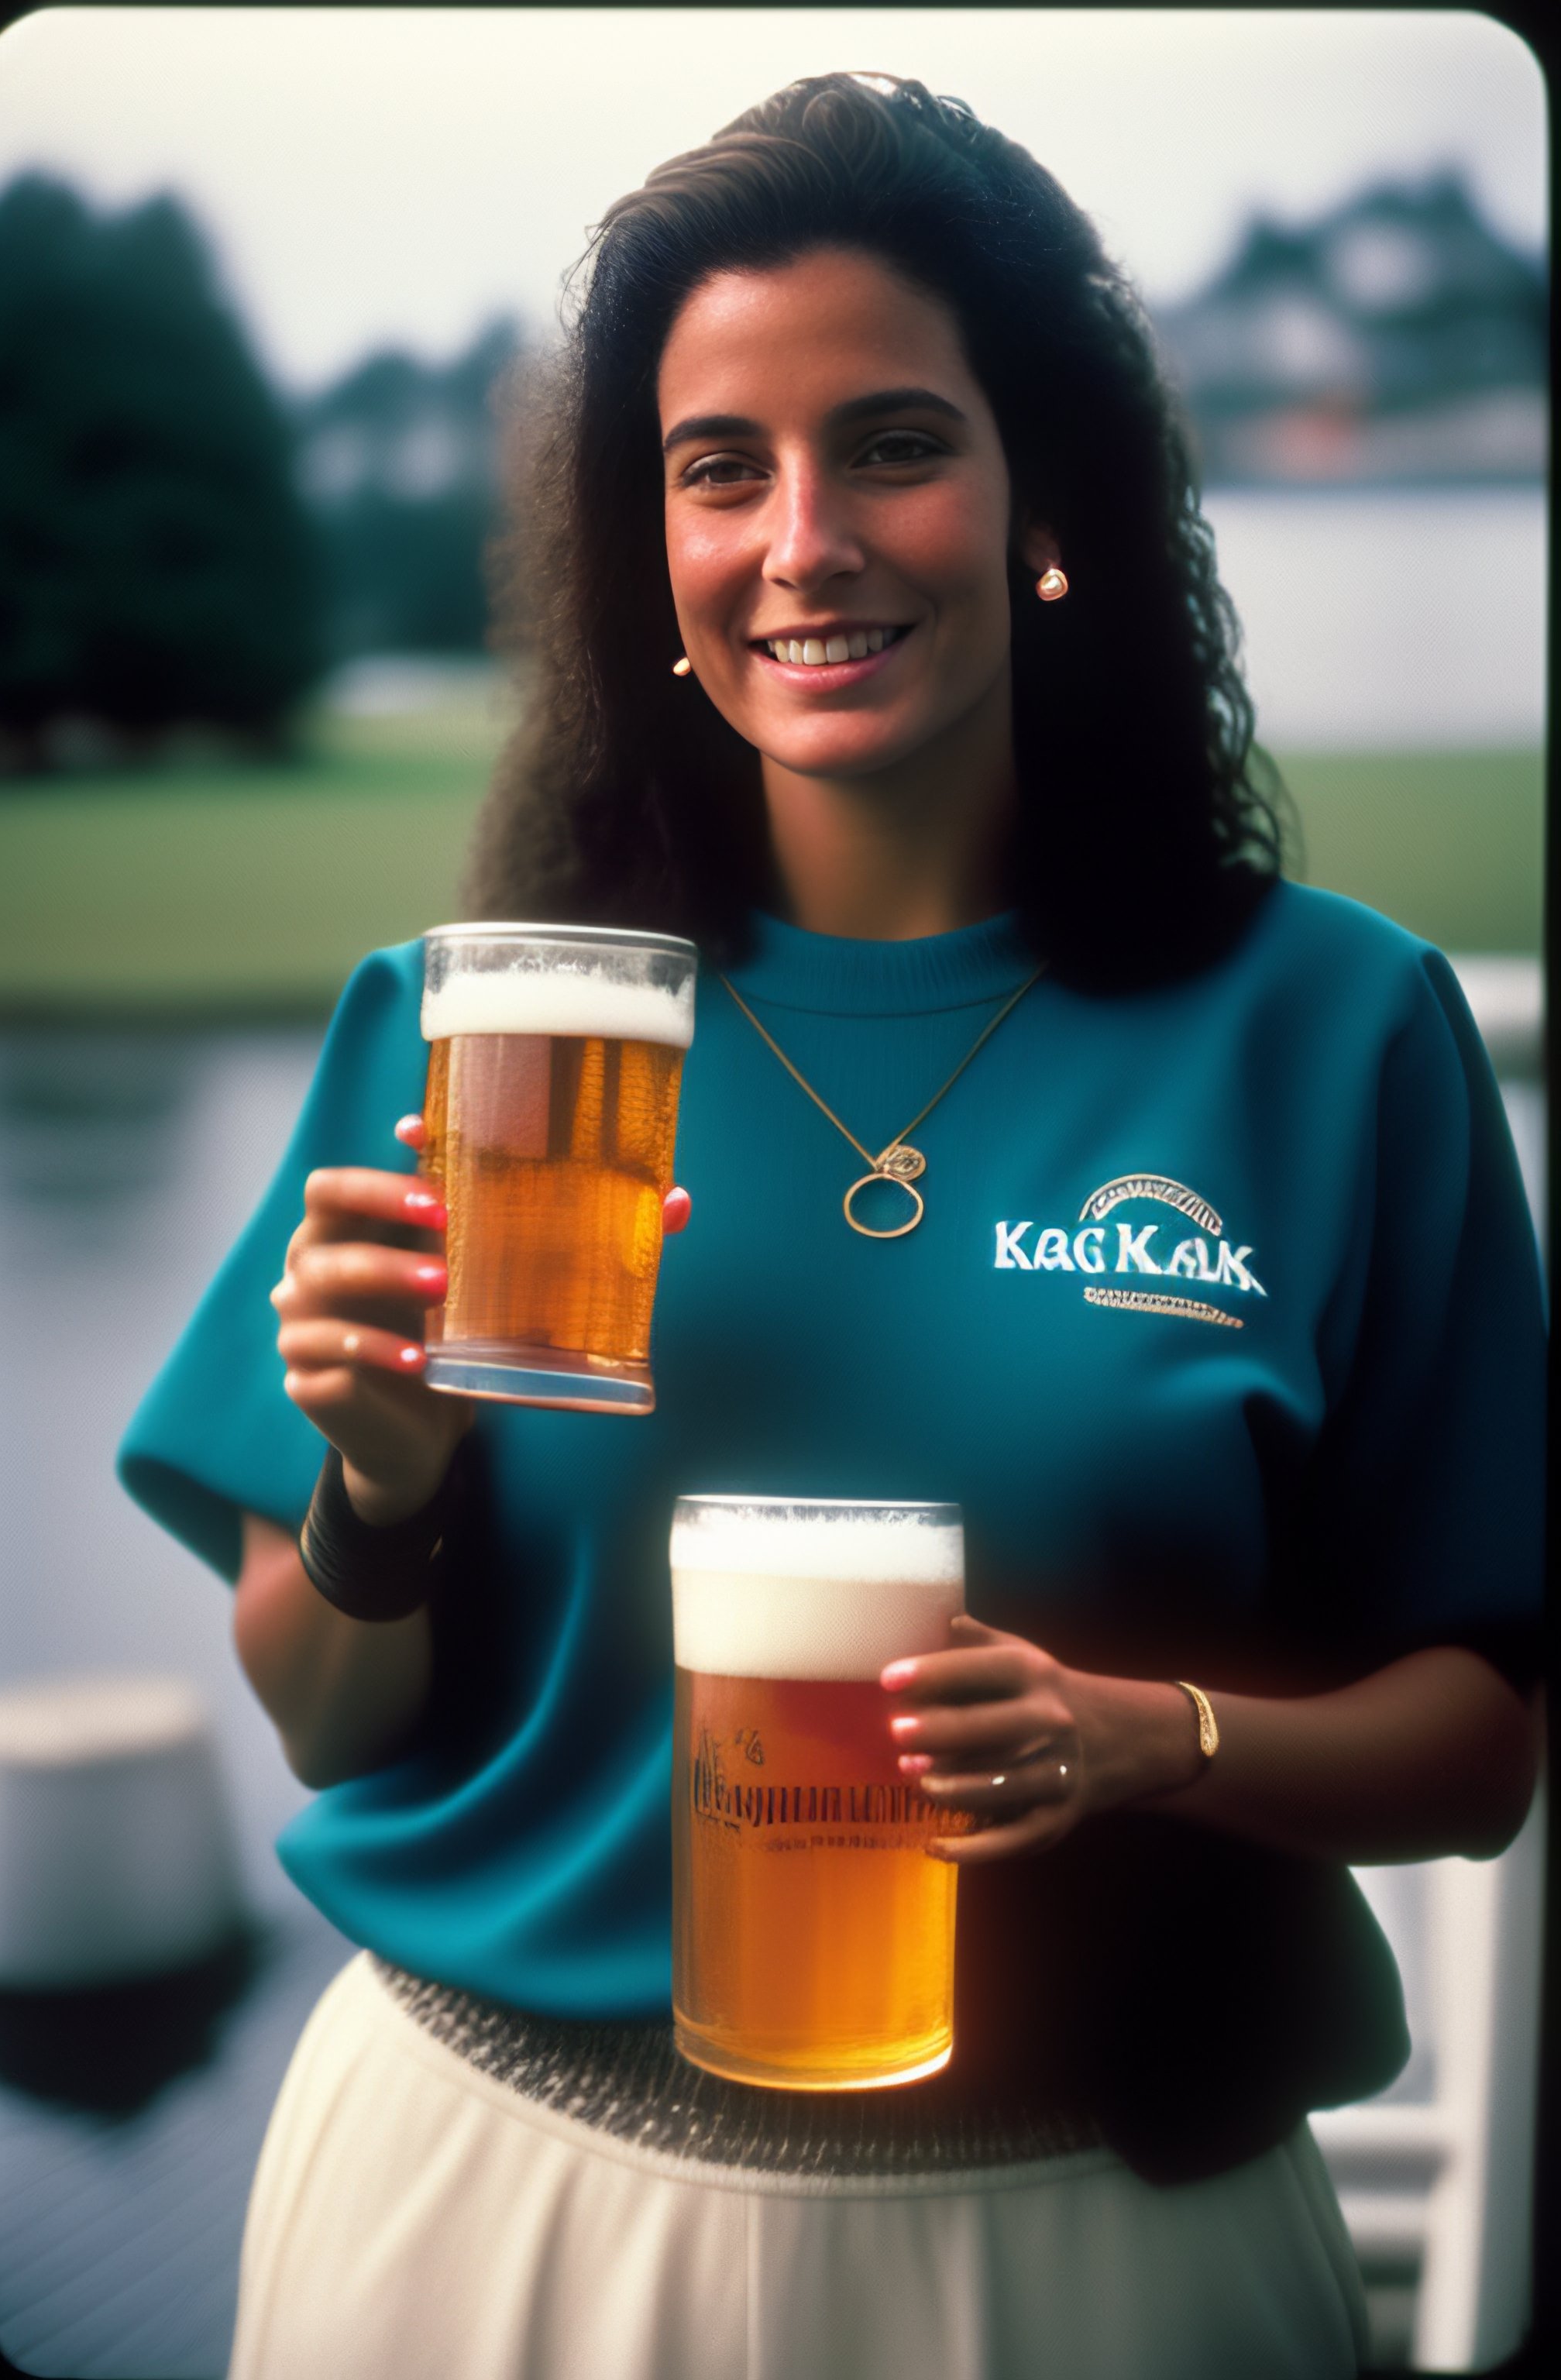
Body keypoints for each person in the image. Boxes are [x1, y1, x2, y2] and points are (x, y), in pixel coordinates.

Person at [119, 73, 1543, 2380]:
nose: (803, 541)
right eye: (720, 470)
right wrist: (382, 1485)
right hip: (489, 2215)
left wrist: (1158, 1738)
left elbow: (1481, 1748)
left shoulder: (1337, 1033)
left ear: (1046, 498)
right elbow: (326, 1724)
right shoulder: (480, 1039)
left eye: (891, 445)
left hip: (1099, 2252)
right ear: (652, 554)